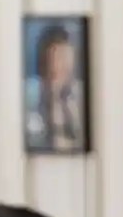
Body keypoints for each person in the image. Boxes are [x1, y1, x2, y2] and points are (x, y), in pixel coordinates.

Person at [24, 23, 86, 153]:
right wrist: (53, 98)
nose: (57, 66)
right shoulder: (30, 93)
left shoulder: (80, 95)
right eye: (53, 60)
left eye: (64, 60)